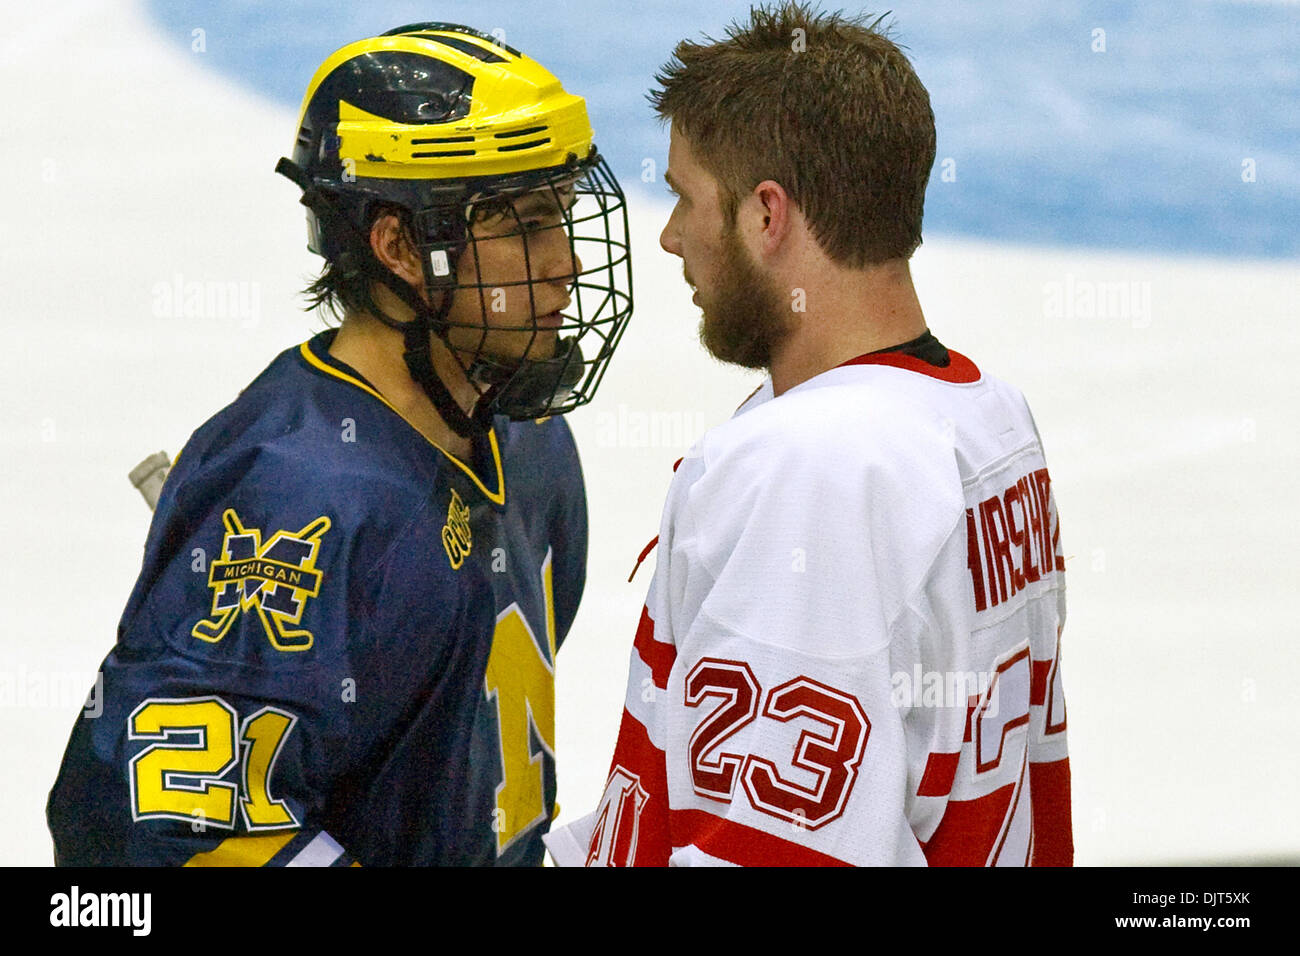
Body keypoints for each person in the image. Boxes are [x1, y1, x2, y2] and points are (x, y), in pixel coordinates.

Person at [47, 22, 632, 867]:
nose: (566, 263)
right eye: (526, 225)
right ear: (400, 246)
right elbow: (150, 830)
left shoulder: (528, 436)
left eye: (563, 215)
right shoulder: (293, 497)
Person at [547, 3, 1071, 867]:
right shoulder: (990, 418)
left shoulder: (814, 472)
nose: (670, 237)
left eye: (684, 197)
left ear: (767, 215)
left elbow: (767, 849)